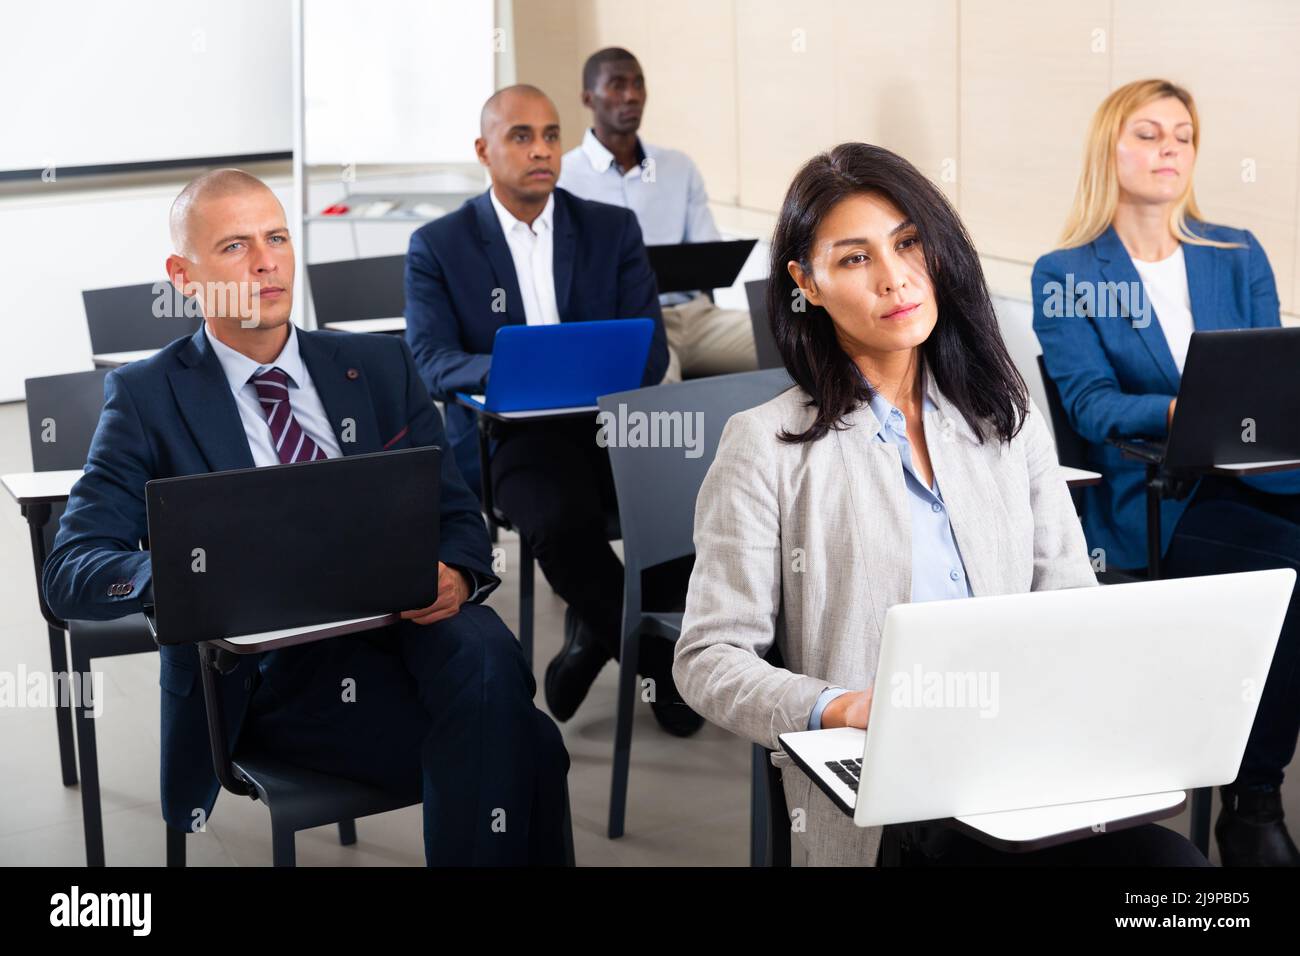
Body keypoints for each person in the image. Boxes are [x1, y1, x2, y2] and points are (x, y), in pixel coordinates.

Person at [673, 142, 1207, 867]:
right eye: (856, 258)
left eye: (909, 244)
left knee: (1178, 877)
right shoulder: (764, 445)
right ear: (808, 282)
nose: (895, 279)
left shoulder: (1005, 418)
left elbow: (1070, 600)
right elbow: (708, 658)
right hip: (892, 801)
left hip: (1023, 764)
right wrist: (839, 705)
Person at [42, 169, 570, 866]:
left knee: (478, 647)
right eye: (235, 246)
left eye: (278, 238)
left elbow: (457, 518)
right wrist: (192, 573)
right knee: (528, 743)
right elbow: (71, 570)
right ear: (184, 276)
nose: (266, 262)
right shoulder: (145, 397)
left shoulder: (378, 364)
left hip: (407, 637)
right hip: (273, 679)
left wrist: (459, 576)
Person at [1033, 79, 1300, 866]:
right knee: (1289, 569)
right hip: (1159, 493)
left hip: (1262, 471)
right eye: (1148, 135)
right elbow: (1091, 407)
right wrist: (1184, 413)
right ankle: (1255, 804)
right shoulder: (1066, 270)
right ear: (1109, 149)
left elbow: (1269, 375)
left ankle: (1251, 777)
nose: (1169, 151)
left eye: (1182, 136)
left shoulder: (1235, 251)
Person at [404, 85, 699, 734]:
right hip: (509, 433)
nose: (541, 150)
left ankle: (595, 630)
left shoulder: (610, 228)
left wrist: (585, 373)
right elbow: (431, 359)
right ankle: (661, 666)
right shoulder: (439, 245)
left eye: (550, 135)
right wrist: (520, 370)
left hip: (608, 419)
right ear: (484, 150)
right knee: (562, 521)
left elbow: (649, 348)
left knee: (688, 500)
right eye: (521, 136)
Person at [558, 46, 757, 381]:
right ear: (588, 98)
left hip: (694, 317)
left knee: (797, 341)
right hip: (625, 324)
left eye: (638, 84)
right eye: (618, 85)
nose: (632, 95)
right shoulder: (563, 177)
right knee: (661, 395)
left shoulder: (678, 167)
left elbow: (708, 256)